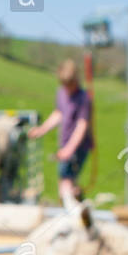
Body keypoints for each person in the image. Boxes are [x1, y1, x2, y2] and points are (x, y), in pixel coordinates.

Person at [28, 58, 97, 209]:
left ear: (75, 80)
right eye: (64, 85)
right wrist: (42, 130)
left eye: (69, 85)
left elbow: (82, 125)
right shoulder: (61, 93)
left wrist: (69, 149)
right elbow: (59, 113)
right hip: (65, 143)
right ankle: (74, 209)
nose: (67, 88)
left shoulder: (83, 98)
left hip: (78, 146)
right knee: (68, 183)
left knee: (66, 181)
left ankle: (71, 213)